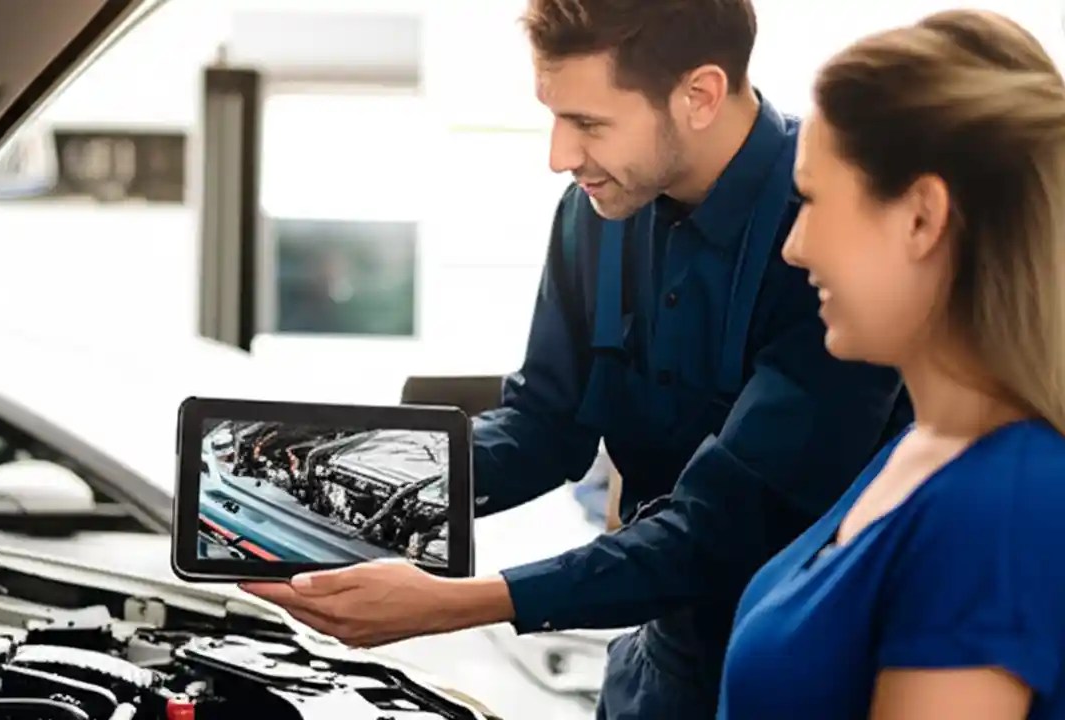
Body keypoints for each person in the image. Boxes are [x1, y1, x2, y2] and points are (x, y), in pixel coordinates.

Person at [243, 1, 909, 717]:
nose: (559, 155)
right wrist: (337, 462)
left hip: (815, 680)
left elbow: (727, 525)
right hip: (662, 669)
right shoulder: (594, 212)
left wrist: (465, 603)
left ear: (700, 95)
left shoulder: (831, 232)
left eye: (589, 124)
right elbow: (544, 425)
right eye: (554, 116)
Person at [717, 10, 1065, 720]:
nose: (795, 247)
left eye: (812, 201)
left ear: (920, 218)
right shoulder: (925, 449)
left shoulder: (1000, 502)